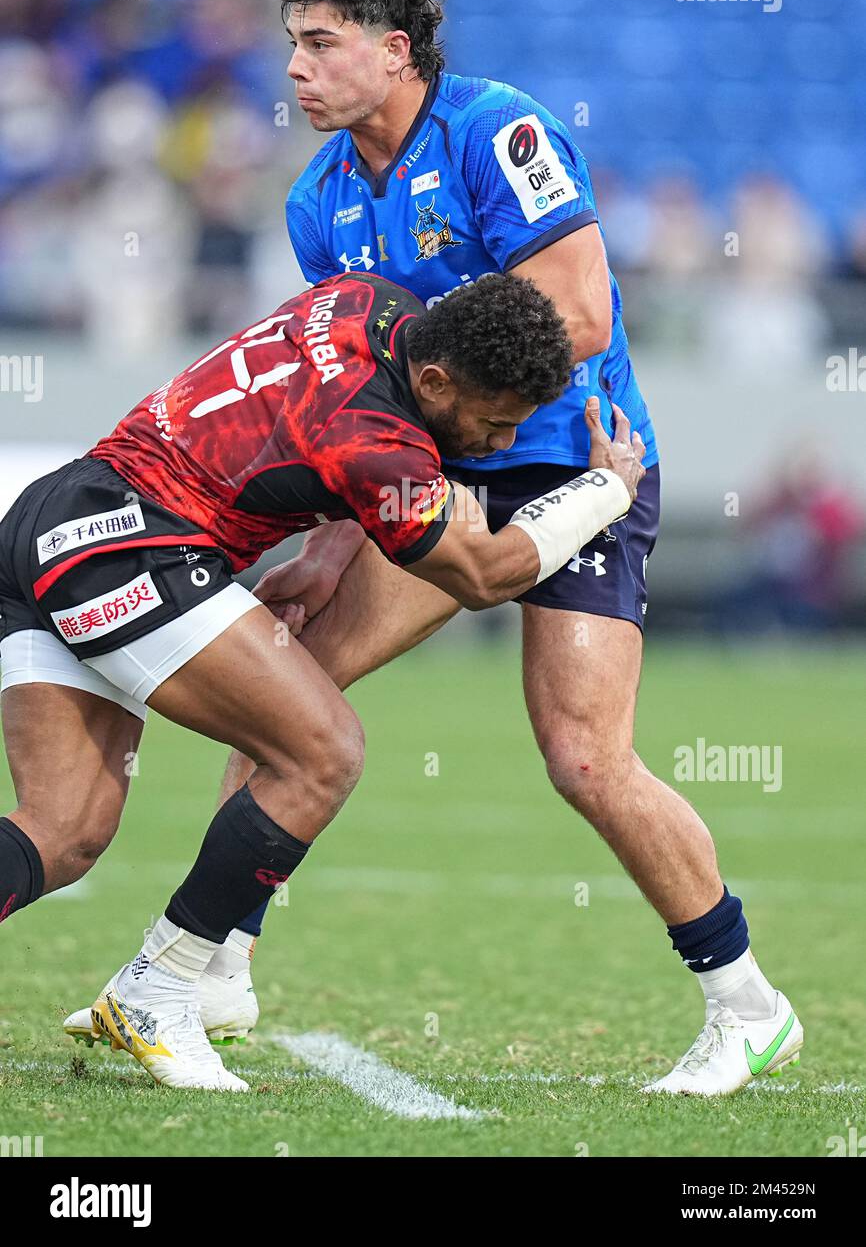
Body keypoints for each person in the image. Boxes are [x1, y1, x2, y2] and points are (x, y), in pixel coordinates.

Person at [162, 0, 800, 1097]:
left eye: (319, 44)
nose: (294, 70)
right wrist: (337, 532)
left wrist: (477, 404)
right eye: (289, 46)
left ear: (392, 50)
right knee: (286, 687)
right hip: (433, 480)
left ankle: (743, 1002)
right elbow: (360, 399)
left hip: (572, 461)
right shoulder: (317, 203)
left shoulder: (495, 134)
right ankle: (208, 969)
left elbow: (584, 313)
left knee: (582, 756)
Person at [0, 269, 644, 1090]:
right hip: (132, 547)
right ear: (436, 380)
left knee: (65, 829)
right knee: (324, 752)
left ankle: (158, 990)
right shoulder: (378, 442)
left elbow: (307, 435)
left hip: (51, 518)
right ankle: (157, 991)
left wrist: (316, 544)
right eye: (493, 422)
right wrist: (602, 493)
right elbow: (483, 576)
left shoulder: (367, 298)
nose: (501, 446)